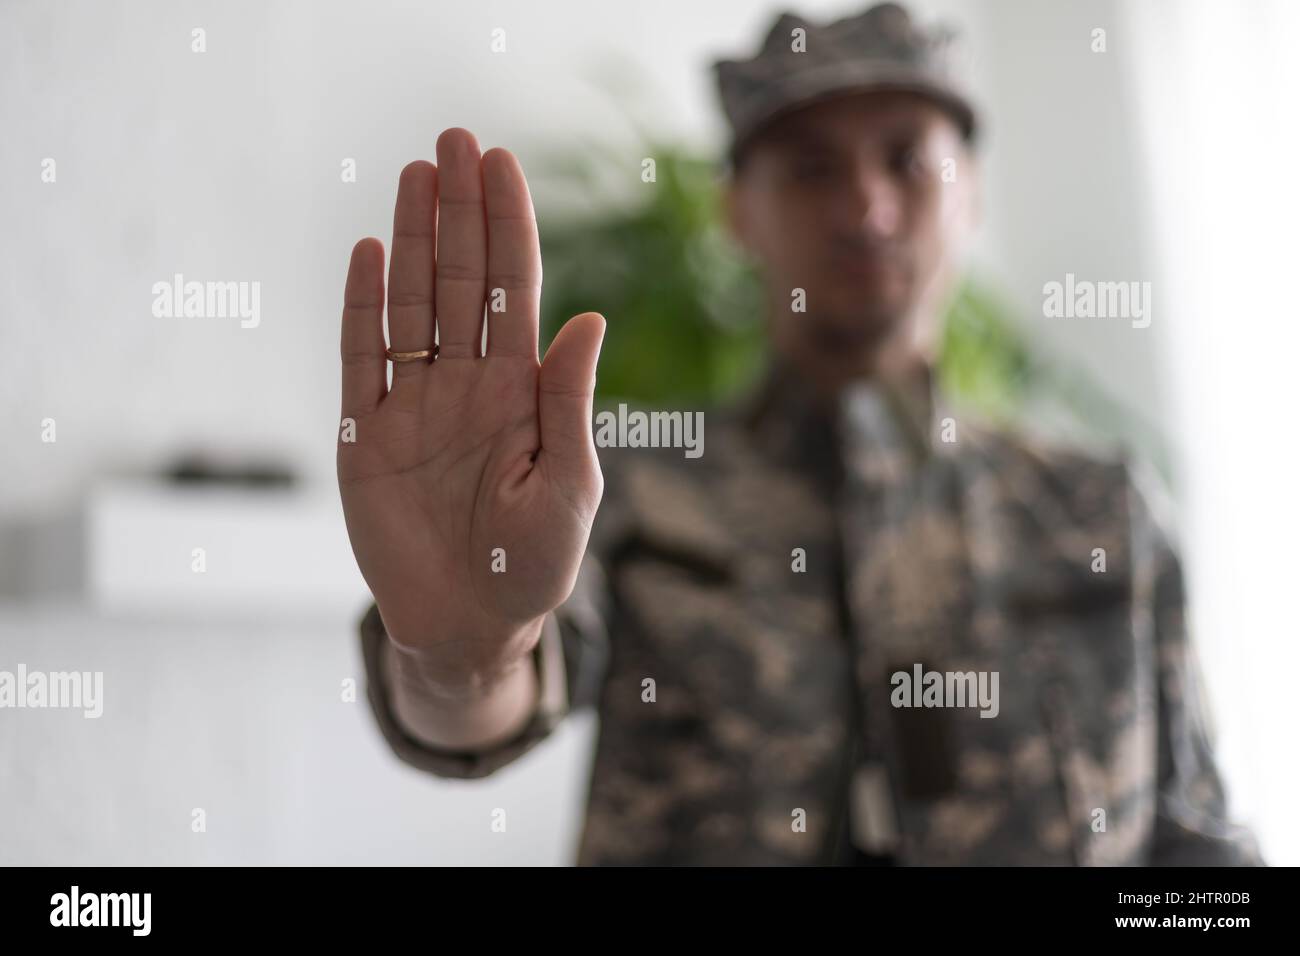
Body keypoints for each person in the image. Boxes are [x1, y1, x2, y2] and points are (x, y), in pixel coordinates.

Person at [336, 3, 1261, 865]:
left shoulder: (1099, 510)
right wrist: (465, 654)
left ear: (970, 192)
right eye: (812, 167)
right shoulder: (622, 490)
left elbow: (1197, 848)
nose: (865, 208)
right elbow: (484, 705)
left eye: (906, 159)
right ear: (738, 210)